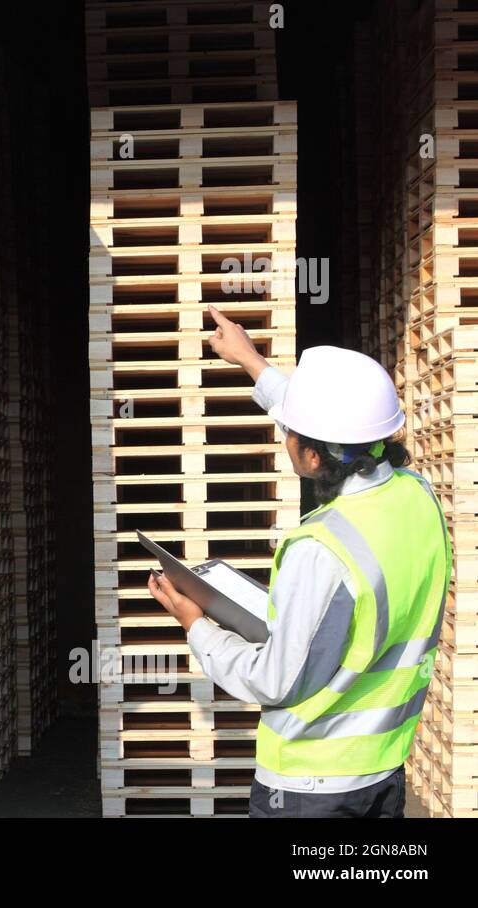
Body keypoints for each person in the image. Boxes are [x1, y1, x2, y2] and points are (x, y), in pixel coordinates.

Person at [146, 305, 452, 818]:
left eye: (289, 431)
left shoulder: (321, 547)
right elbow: (337, 424)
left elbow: (274, 680)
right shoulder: (416, 496)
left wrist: (196, 625)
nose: (284, 434)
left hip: (312, 786)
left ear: (311, 457)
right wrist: (249, 360)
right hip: (382, 770)